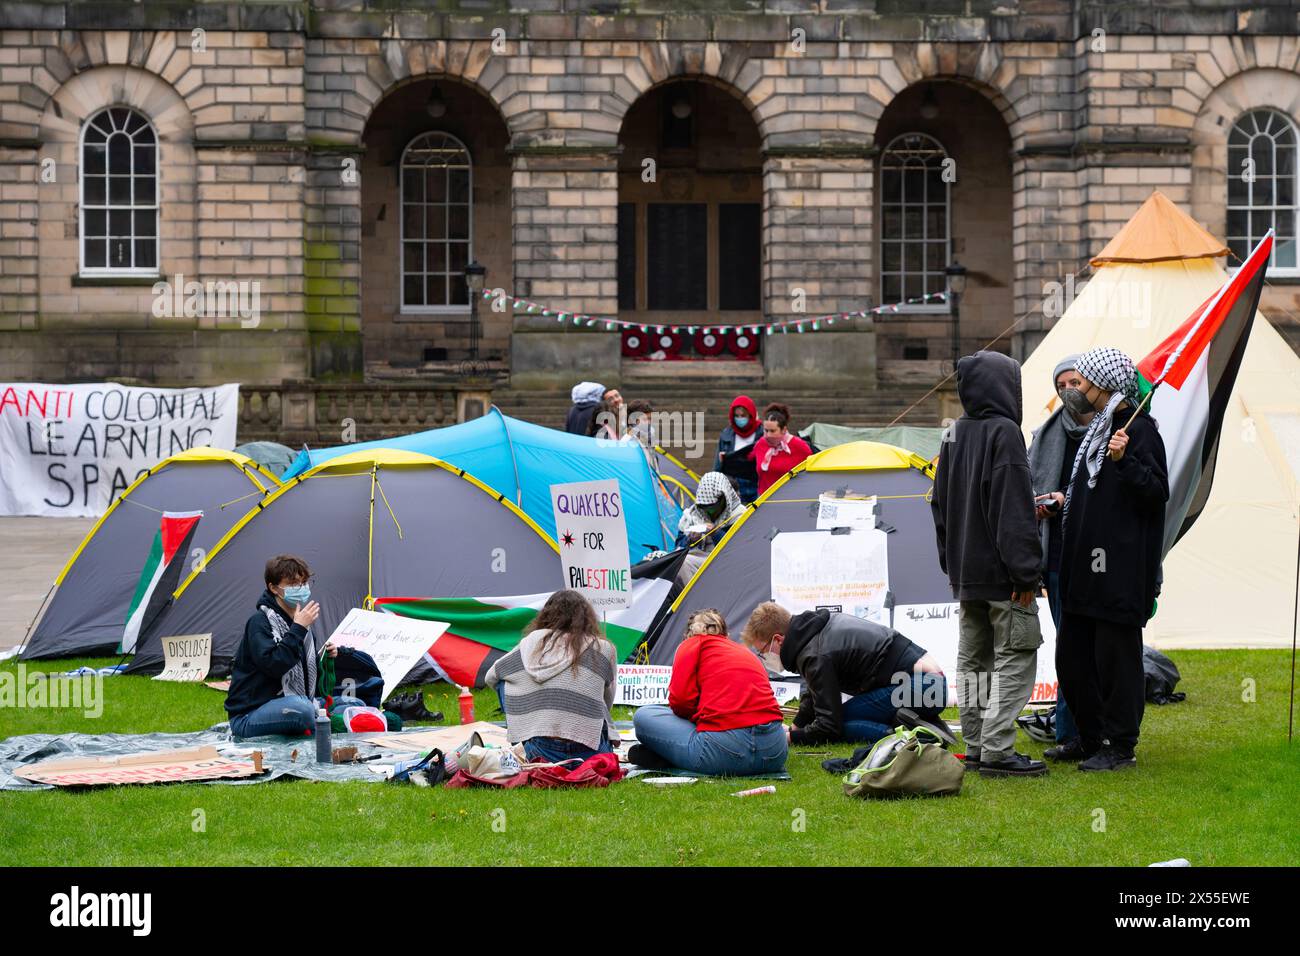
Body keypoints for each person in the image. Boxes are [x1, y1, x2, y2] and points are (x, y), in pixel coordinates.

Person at [930, 350, 1047, 778]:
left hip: (966, 572)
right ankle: (998, 749)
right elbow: (1012, 510)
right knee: (1016, 654)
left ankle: (977, 744)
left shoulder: (953, 434)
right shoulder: (1005, 433)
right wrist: (1026, 572)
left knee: (974, 660)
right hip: (1003, 575)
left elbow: (938, 506)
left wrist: (950, 563)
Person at [1055, 347, 1168, 772]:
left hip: (1117, 573)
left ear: (1102, 385)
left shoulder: (1139, 431)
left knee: (1116, 660)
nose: (1075, 391)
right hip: (1084, 571)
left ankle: (1121, 745)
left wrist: (1125, 461)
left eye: (1080, 383)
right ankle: (1089, 737)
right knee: (1073, 656)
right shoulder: (1098, 429)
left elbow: (1156, 492)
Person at [740, 602, 954, 747]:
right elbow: (816, 692)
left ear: (778, 640)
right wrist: (797, 725)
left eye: (762, 651)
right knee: (843, 716)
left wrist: (791, 737)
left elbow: (829, 725)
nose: (763, 657)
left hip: (925, 687)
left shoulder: (814, 653)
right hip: (927, 685)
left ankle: (917, 738)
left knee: (841, 724)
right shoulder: (812, 633)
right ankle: (914, 723)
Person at [1027, 354, 1092, 755]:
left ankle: (1096, 729)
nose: (1069, 390)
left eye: (1075, 382)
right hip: (1057, 556)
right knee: (1068, 645)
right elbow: (1028, 487)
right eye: (1061, 385)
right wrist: (1041, 503)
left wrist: (1072, 499)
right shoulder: (1047, 433)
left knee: (1094, 645)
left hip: (1095, 555)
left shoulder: (1109, 432)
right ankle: (1069, 732)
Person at [631, 609, 787, 775]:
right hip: (774, 753)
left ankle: (666, 755)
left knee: (644, 716)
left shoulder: (691, 645)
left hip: (723, 752)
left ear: (689, 633)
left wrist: (698, 716)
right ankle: (671, 754)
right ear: (725, 633)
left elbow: (681, 702)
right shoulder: (745, 652)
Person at [484, 590, 619, 764]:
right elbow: (607, 701)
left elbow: (491, 677)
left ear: (546, 615)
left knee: (505, 680)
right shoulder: (604, 649)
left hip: (539, 752)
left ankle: (521, 739)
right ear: (587, 617)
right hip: (590, 754)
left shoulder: (529, 645)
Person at [226, 555, 341, 738]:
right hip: (250, 715)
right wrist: (298, 629)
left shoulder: (299, 622)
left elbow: (309, 680)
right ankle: (320, 722)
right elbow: (274, 665)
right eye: (293, 584)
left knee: (353, 703)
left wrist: (325, 659)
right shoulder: (260, 622)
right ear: (273, 588)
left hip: (291, 704)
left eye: (304, 583)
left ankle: (320, 718)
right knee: (303, 709)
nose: (301, 588)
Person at [749, 403, 812, 498]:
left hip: (790, 500)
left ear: (784, 429)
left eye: (772, 431)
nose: (768, 435)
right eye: (765, 430)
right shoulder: (760, 444)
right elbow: (745, 460)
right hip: (763, 501)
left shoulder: (800, 446)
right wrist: (727, 457)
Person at [675, 471, 745, 550]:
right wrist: (690, 540)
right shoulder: (691, 515)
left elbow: (739, 550)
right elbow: (678, 547)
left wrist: (716, 533)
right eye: (703, 506)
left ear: (724, 499)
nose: (707, 511)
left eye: (711, 506)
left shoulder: (739, 515)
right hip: (696, 557)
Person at [714, 395, 760, 503]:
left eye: (743, 415)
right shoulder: (726, 434)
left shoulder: (762, 433)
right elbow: (716, 466)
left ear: (750, 414)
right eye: (737, 415)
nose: (740, 419)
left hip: (756, 486)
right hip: (733, 488)